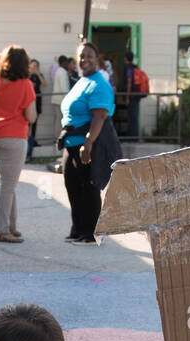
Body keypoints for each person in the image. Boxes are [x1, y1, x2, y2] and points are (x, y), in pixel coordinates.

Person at [0, 46, 36, 243]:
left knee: (8, 183)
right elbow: (31, 116)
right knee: (8, 185)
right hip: (15, 137)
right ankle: (2, 230)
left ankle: (11, 226)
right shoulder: (25, 84)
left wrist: (1, 56)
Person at [58, 41, 114, 245]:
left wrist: (88, 143)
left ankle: (90, 233)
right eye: (82, 56)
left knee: (88, 188)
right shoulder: (82, 81)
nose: (85, 60)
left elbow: (99, 116)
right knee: (73, 186)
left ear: (97, 59)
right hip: (71, 142)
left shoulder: (99, 84)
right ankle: (78, 229)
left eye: (89, 56)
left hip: (88, 143)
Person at [121, 50, 147, 138]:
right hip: (136, 95)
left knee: (132, 117)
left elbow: (129, 81)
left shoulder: (128, 68)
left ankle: (132, 137)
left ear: (126, 58)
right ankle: (133, 136)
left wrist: (127, 97)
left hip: (132, 96)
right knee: (134, 116)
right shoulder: (135, 67)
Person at [26, 58, 45, 160]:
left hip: (38, 99)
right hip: (30, 99)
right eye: (32, 66)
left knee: (35, 122)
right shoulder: (27, 76)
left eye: (36, 66)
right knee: (28, 123)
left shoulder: (39, 75)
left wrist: (37, 74)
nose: (34, 68)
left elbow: (44, 84)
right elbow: (28, 85)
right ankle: (27, 140)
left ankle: (33, 140)